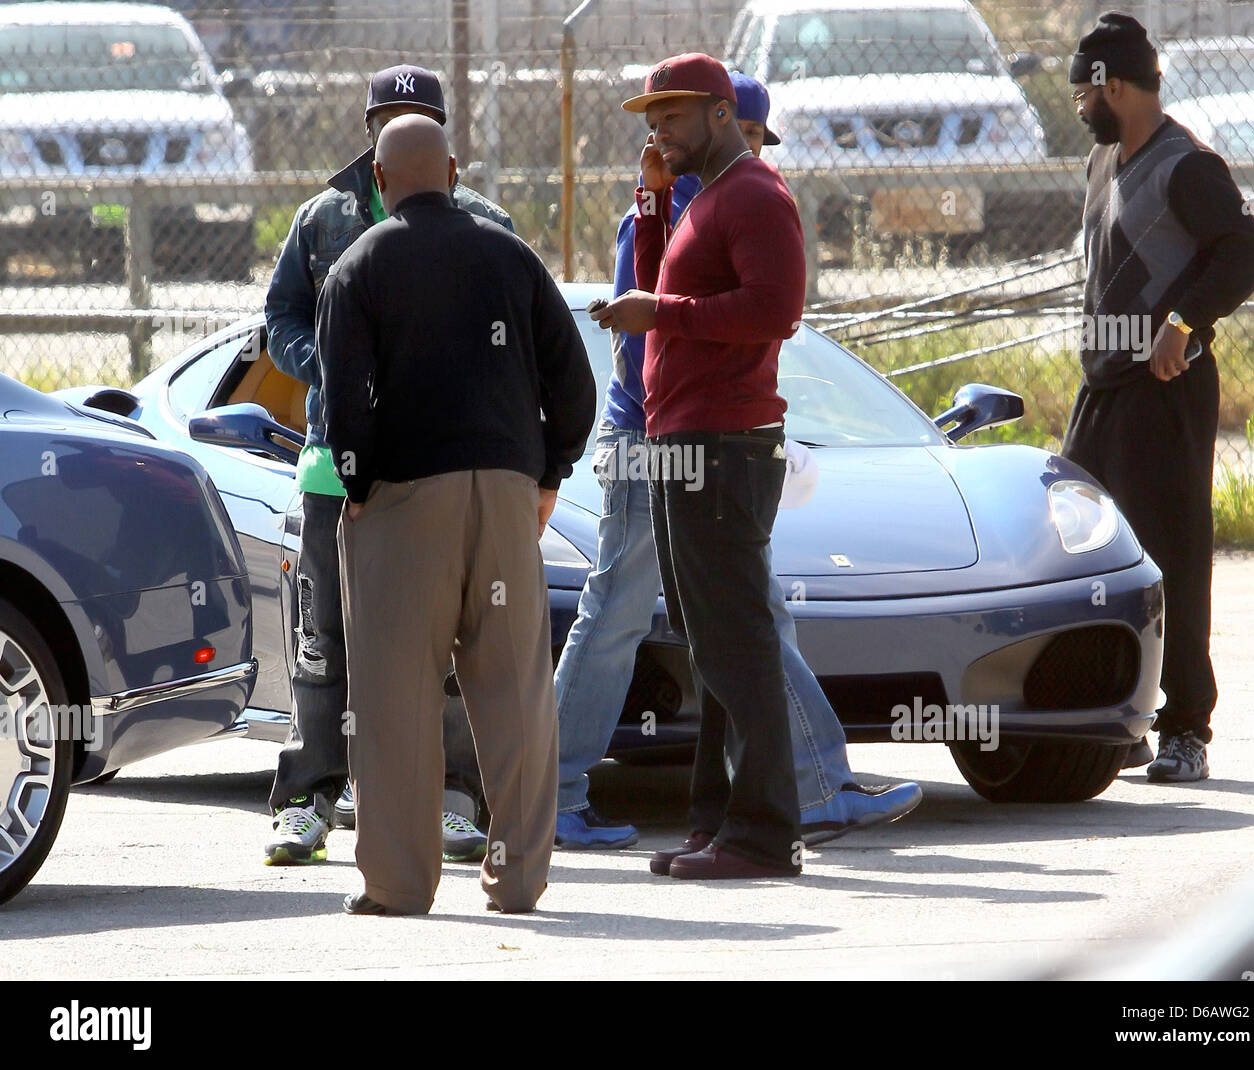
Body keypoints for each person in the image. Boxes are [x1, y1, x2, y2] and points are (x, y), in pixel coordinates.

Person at [556, 70, 921, 852]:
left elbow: (774, 310)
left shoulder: (753, 194)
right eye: (653, 116)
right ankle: (722, 821)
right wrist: (653, 208)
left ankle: (767, 823)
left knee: (738, 634)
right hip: (675, 439)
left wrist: (665, 313)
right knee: (709, 632)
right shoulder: (694, 198)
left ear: (723, 115)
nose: (659, 129)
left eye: (674, 115)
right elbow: (654, 294)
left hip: (721, 445)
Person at [318, 115, 595, 915]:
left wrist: (359, 484)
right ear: (454, 169)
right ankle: (517, 880)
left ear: (377, 178)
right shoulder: (510, 255)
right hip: (508, 497)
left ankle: (400, 885)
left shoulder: (359, 264)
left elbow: (344, 403)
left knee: (395, 698)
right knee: (516, 697)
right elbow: (573, 382)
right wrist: (548, 472)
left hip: (405, 503)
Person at [263, 64, 513, 867]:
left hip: (436, 474)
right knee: (321, 640)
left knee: (443, 642)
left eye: (419, 116)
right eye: (389, 115)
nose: (402, 128)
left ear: (446, 141)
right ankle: (306, 800)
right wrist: (333, 368)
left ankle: (451, 801)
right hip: (332, 475)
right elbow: (280, 321)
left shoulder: (485, 225)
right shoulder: (320, 218)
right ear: (369, 130)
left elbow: (509, 339)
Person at [1064, 13, 1254, 781]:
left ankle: (1187, 727)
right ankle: (1118, 718)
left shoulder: (1187, 166)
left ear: (1112, 85)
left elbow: (1245, 252)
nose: (1079, 109)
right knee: (1081, 557)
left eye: (1084, 94)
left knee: (1170, 557)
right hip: (1102, 389)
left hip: (1165, 391)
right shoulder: (1105, 160)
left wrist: (1184, 321)